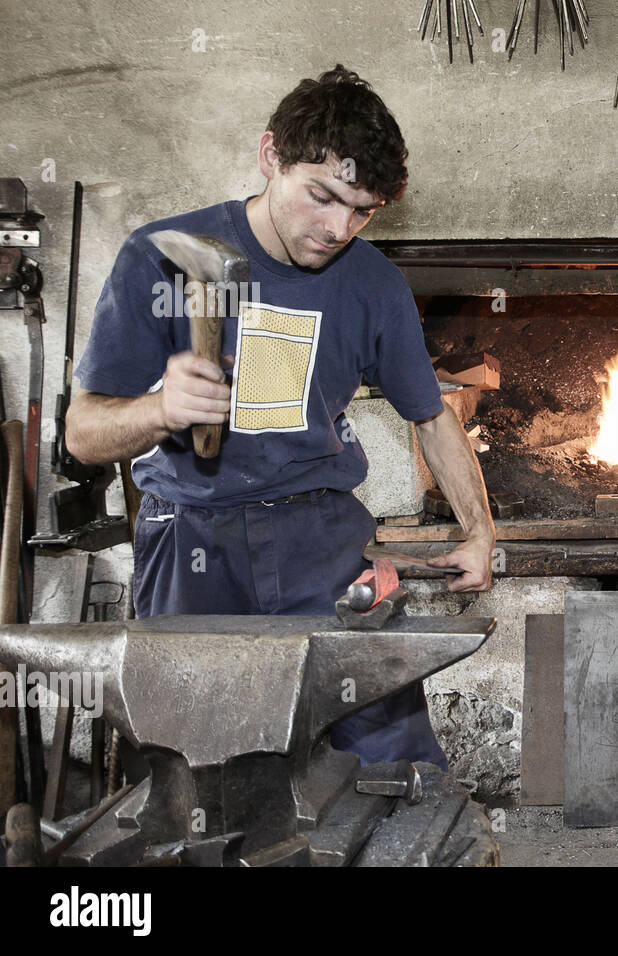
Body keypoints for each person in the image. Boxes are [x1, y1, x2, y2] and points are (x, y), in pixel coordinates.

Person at [65, 65, 495, 770]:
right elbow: (82, 435)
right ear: (271, 157)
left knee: (393, 759)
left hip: (320, 541)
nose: (336, 228)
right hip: (191, 541)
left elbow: (432, 416)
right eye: (320, 196)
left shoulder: (374, 285)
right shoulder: (159, 258)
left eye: (361, 212)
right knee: (198, 770)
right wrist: (160, 408)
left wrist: (480, 531)